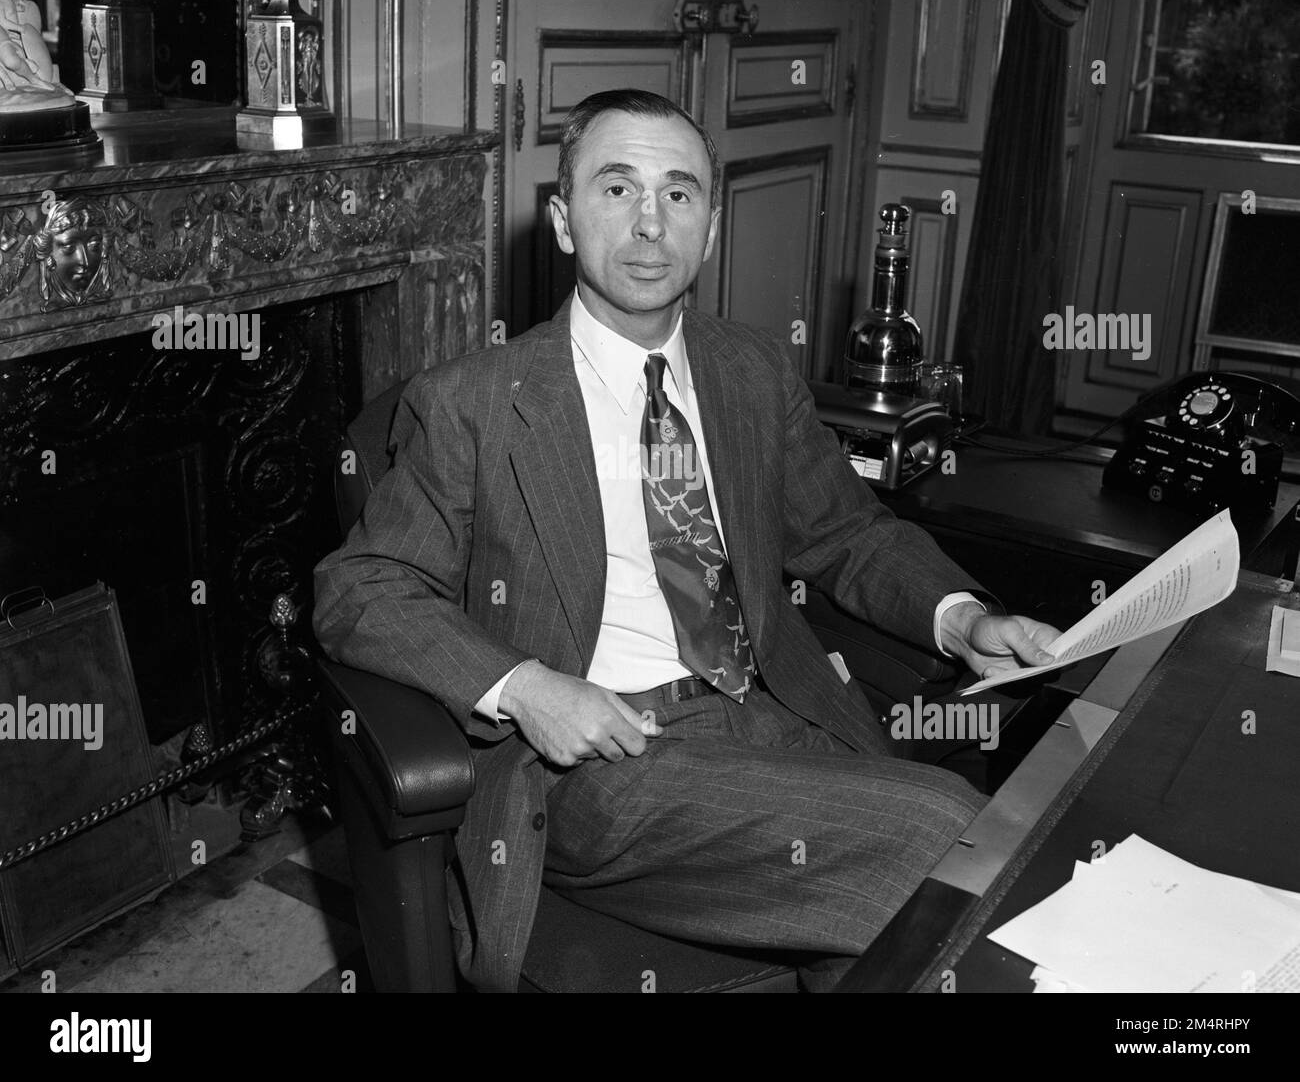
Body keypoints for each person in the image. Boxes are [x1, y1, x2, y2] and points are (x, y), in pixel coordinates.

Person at [313, 89, 1061, 992]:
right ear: (561, 220)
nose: (648, 225)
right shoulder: (474, 402)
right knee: (947, 835)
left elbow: (846, 532)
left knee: (947, 884)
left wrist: (964, 618)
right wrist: (525, 687)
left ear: (709, 230)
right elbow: (361, 589)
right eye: (616, 188)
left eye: (679, 195)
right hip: (602, 759)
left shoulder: (751, 371)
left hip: (772, 708)